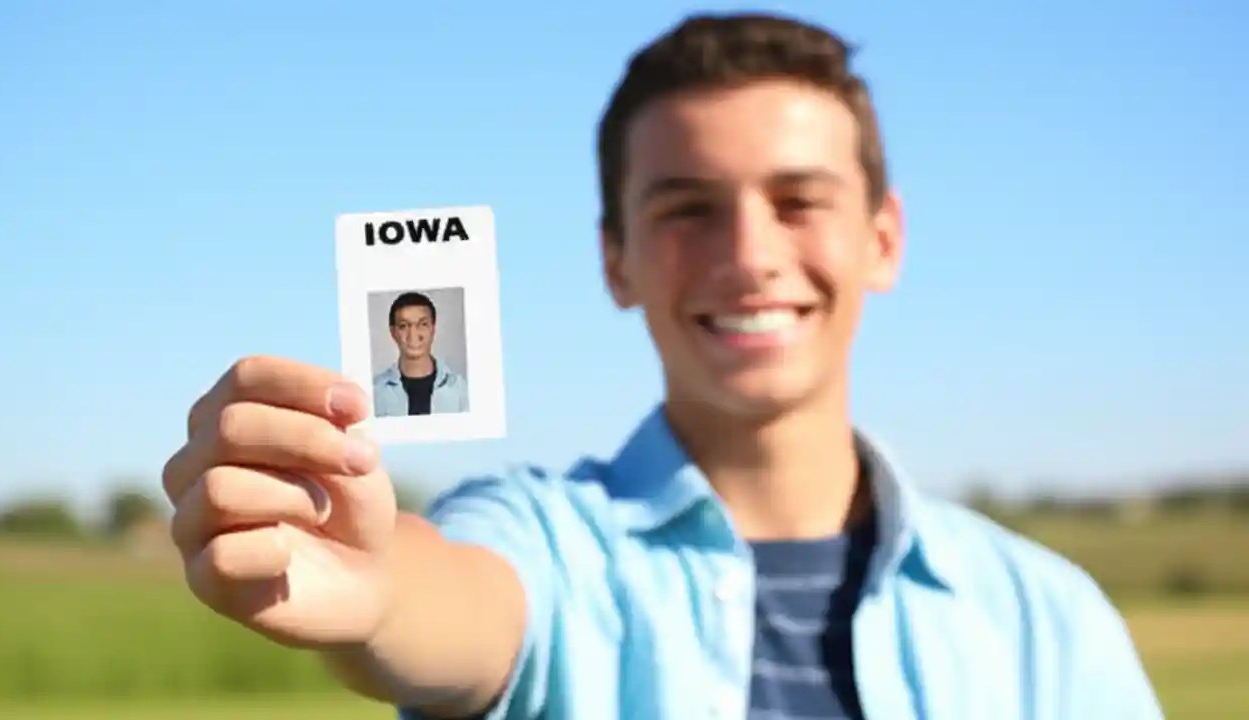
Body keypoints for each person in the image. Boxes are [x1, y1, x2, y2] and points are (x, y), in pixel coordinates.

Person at [160, 12, 1165, 720]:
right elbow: (456, 605)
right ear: (614, 260)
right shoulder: (544, 545)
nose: (748, 254)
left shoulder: (1046, 618)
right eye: (686, 207)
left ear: (882, 239)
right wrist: (377, 594)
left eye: (797, 199)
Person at [372, 291, 468, 417]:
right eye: (403, 326)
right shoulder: (374, 392)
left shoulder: (460, 389)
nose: (413, 335)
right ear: (393, 332)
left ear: (433, 329)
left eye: (422, 324)